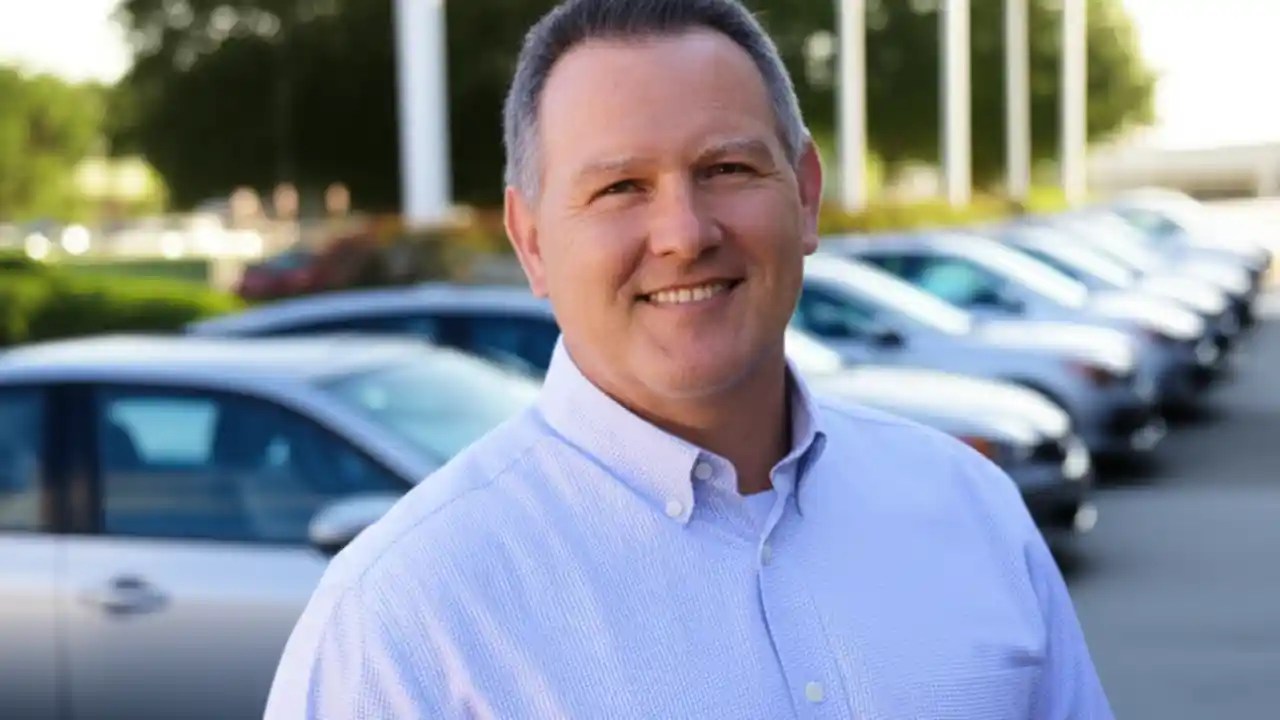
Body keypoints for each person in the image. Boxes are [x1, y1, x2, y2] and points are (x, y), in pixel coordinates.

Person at [264, 0, 1114, 717]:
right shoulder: (403, 617)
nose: (684, 234)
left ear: (806, 195)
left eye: (727, 168)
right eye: (620, 188)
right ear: (530, 242)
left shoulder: (971, 510)